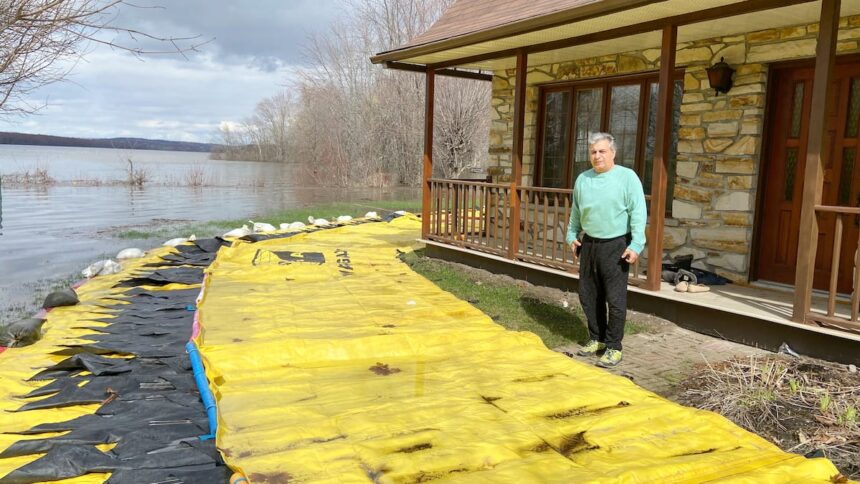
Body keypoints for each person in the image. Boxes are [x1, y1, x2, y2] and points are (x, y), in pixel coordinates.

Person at [566, 132, 646, 367]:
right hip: (589, 244)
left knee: (615, 298)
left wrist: (636, 244)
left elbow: (638, 213)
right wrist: (571, 235)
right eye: (593, 152)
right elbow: (576, 212)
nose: (597, 155)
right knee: (589, 295)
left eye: (602, 151)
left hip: (616, 244)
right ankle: (597, 338)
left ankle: (613, 347)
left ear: (613, 153)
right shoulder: (583, 179)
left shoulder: (627, 177)